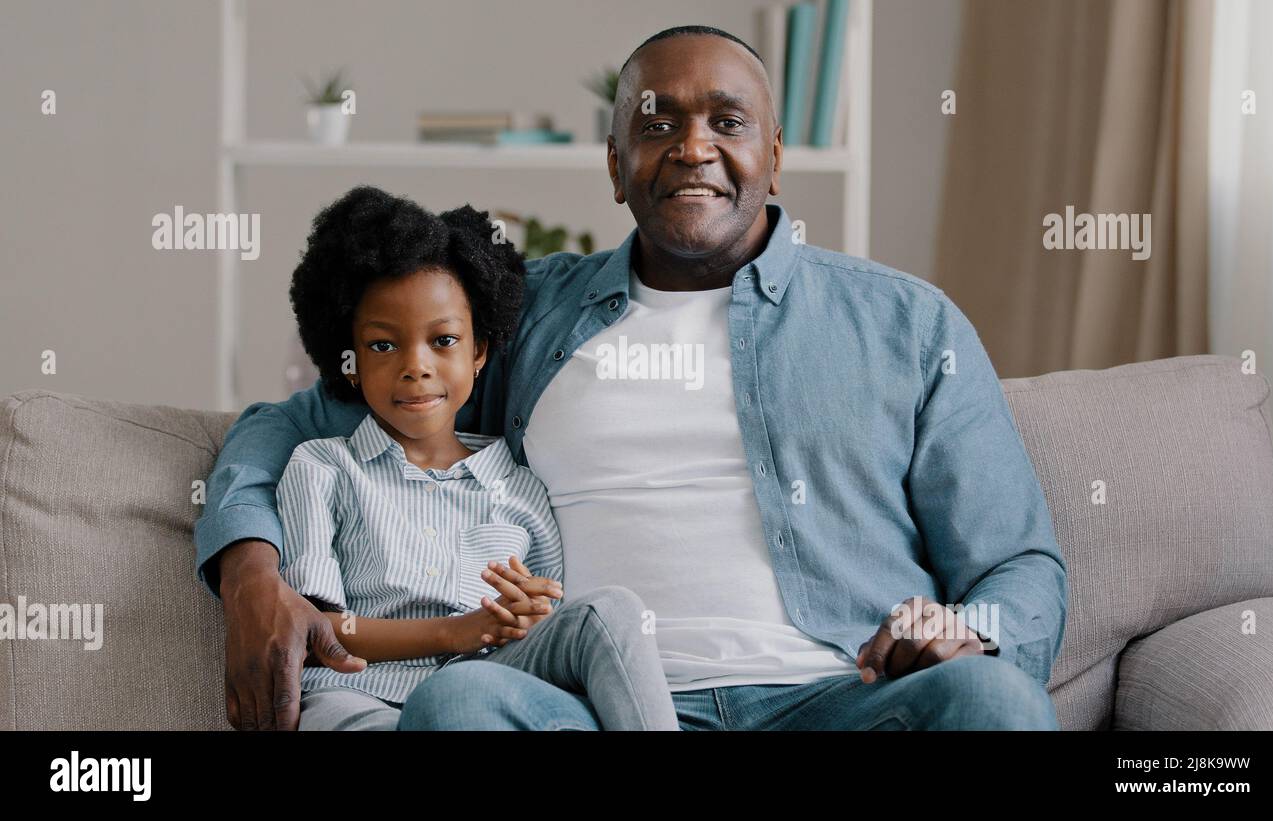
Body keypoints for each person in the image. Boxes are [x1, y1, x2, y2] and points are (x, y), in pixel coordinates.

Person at [197, 25, 1068, 731]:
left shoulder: (906, 325)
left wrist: (966, 632)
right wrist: (249, 572)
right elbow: (297, 418)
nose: (693, 147)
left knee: (994, 703)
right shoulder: (526, 315)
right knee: (460, 701)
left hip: (842, 694)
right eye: (657, 125)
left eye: (727, 122)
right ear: (616, 165)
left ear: (773, 153)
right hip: (590, 706)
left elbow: (1020, 566)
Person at [275, 186, 678, 731]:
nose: (416, 366)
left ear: (479, 351)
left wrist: (528, 614)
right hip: (359, 694)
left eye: (443, 340)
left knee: (612, 612)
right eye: (383, 345)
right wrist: (456, 631)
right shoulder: (320, 469)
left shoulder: (521, 490)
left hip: (488, 686)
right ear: (347, 361)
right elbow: (322, 630)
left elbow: (539, 625)